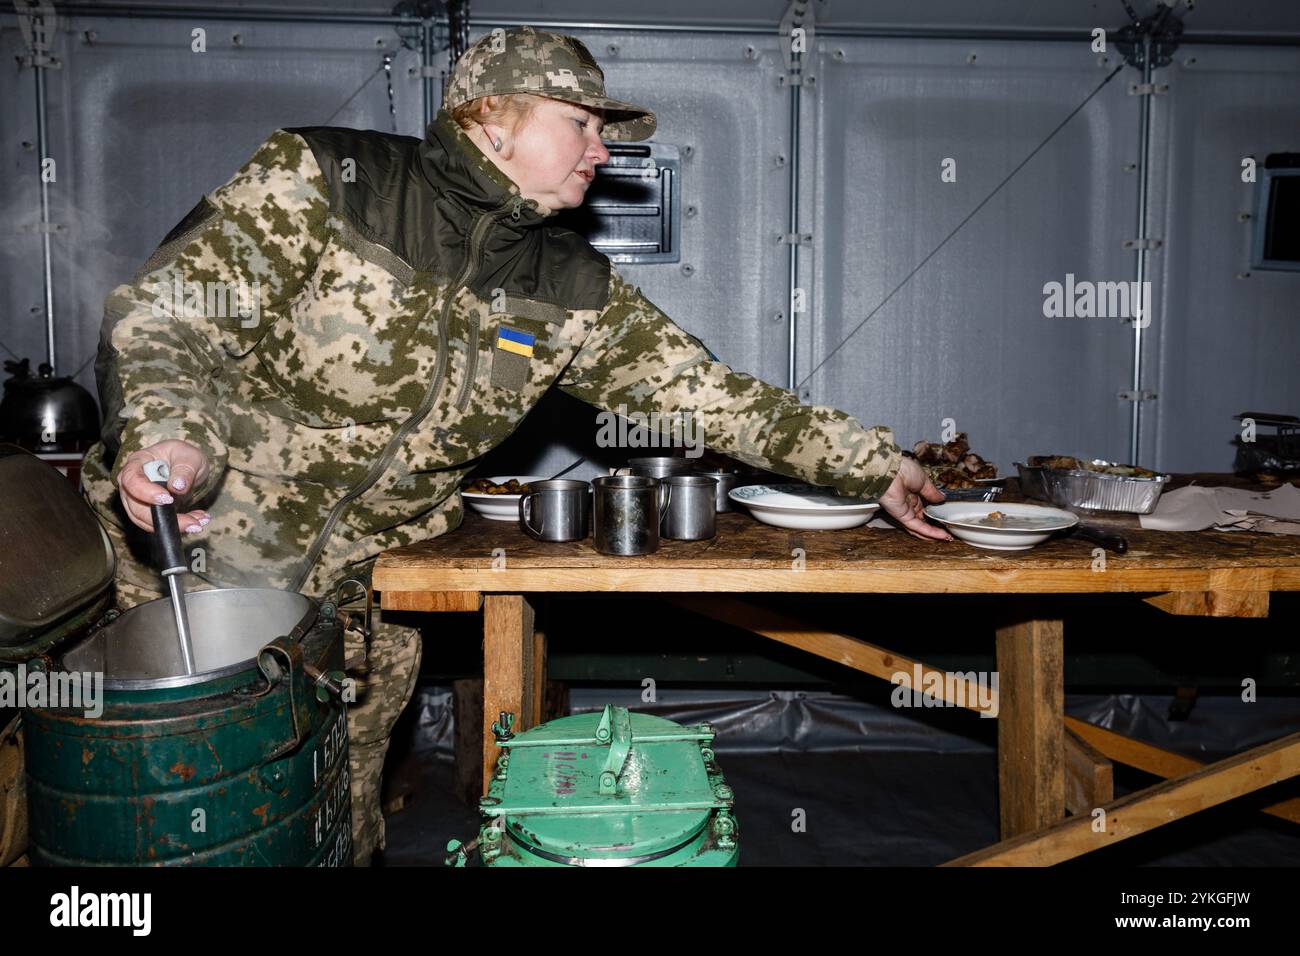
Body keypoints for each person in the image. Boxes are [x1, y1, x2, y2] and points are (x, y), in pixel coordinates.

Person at [81, 25, 951, 866]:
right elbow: (171, 313)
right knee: (174, 822)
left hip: (360, 607)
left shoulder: (567, 283)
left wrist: (874, 465)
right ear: (490, 120)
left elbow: (709, 398)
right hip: (189, 563)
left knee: (335, 822)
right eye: (581, 123)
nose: (602, 152)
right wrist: (169, 437)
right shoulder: (329, 182)